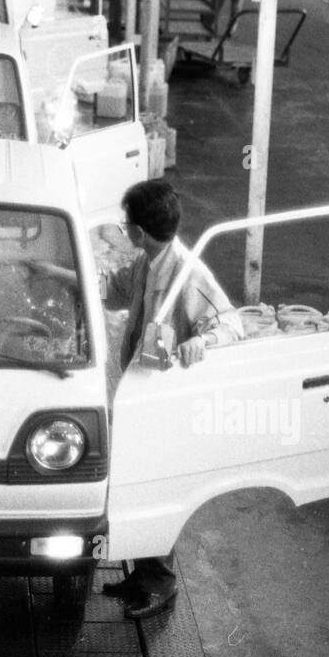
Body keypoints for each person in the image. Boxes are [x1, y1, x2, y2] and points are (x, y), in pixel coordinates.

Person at [100, 180, 244, 622]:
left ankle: (161, 584)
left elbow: (233, 326)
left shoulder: (186, 273)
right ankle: (142, 574)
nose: (124, 232)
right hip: (140, 399)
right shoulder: (149, 263)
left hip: (165, 403)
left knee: (155, 490)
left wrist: (205, 342)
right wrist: (65, 276)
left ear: (139, 232)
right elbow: (111, 291)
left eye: (127, 226)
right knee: (137, 485)